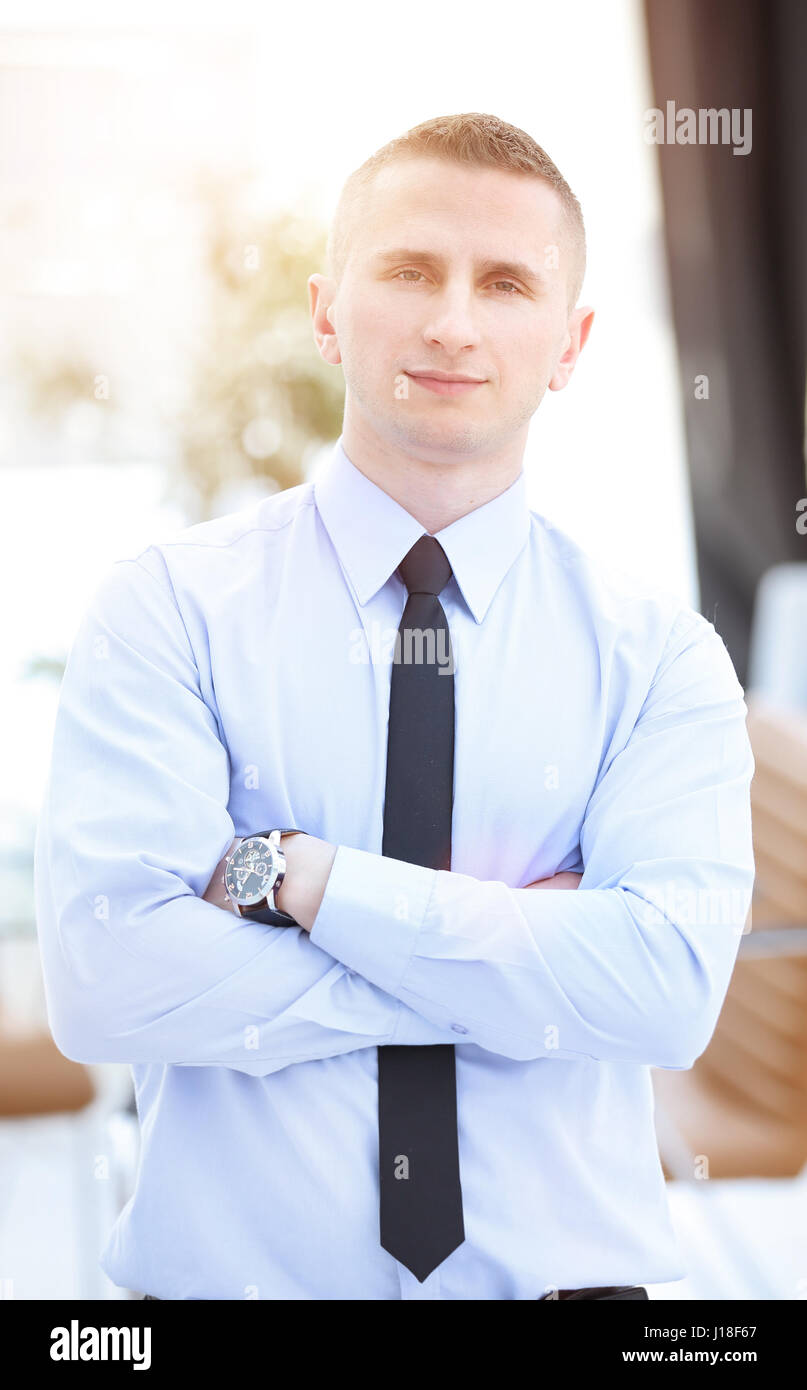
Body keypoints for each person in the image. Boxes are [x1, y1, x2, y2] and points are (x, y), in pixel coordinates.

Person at [34, 112, 755, 1301]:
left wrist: (315, 887)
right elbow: (112, 982)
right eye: (411, 269)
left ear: (571, 342)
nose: (454, 322)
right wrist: (508, 956)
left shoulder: (663, 658)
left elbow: (663, 996)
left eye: (506, 282)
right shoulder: (167, 610)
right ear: (326, 310)